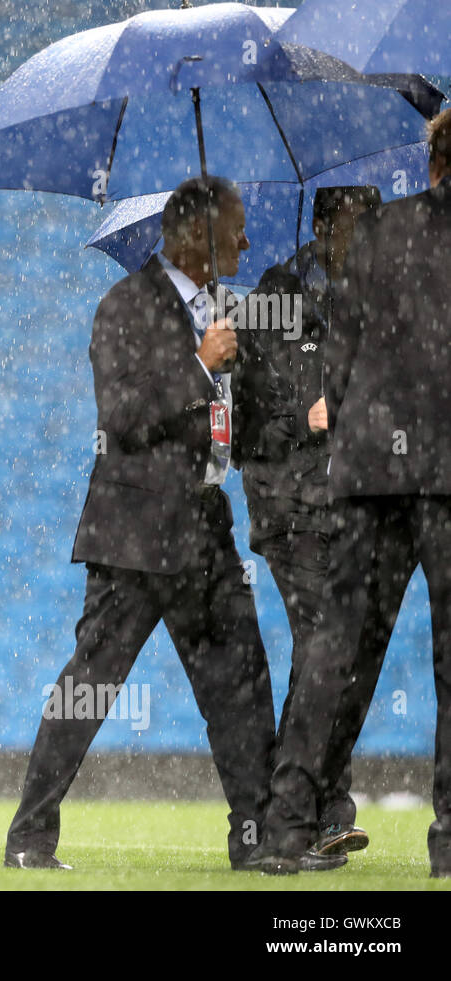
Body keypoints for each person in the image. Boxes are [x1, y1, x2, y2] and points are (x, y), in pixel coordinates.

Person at [5, 176, 291, 871]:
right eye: (236, 229)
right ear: (195, 235)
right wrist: (201, 364)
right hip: (133, 531)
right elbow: (123, 419)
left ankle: (254, 842)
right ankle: (28, 838)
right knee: (89, 687)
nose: (246, 242)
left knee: (241, 686)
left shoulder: (230, 311)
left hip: (204, 526)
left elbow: (242, 423)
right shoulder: (125, 305)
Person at [252, 108, 451, 877]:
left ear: (432, 165)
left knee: (335, 653)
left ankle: (288, 827)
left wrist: (363, 427)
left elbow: (340, 354)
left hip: (371, 476)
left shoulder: (377, 235)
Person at [240, 186, 382, 864]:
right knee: (325, 647)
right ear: (323, 226)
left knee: (332, 656)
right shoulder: (273, 297)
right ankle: (315, 810)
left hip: (346, 505)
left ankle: (300, 809)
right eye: (356, 224)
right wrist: (309, 415)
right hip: (288, 504)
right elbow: (250, 423)